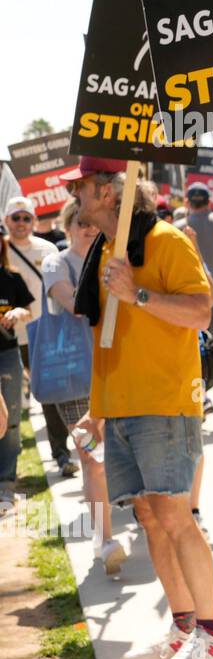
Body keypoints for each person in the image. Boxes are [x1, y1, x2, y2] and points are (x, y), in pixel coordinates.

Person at [61, 156, 213, 659]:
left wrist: (136, 291)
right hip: (124, 408)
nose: (76, 195)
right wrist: (97, 409)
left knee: (177, 517)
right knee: (150, 518)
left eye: (84, 185)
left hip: (164, 401)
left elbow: (201, 312)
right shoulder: (108, 249)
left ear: (111, 191)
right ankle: (183, 627)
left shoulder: (165, 241)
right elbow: (106, 341)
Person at [42, 198, 124, 575]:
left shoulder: (116, 255)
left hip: (119, 371)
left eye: (93, 223)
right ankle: (104, 539)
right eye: (81, 223)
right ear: (69, 227)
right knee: (92, 459)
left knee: (124, 452)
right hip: (77, 378)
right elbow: (75, 305)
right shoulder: (56, 263)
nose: (88, 229)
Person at [4, 196, 72, 478]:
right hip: (8, 337)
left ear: (34, 220)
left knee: (50, 392)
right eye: (15, 217)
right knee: (9, 403)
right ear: (6, 221)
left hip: (43, 332)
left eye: (26, 217)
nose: (21, 223)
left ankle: (61, 453)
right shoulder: (2, 249)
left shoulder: (47, 249)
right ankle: (9, 466)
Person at [176, 184, 213, 427]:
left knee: (194, 358)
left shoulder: (177, 230)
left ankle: (198, 407)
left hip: (190, 303)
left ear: (187, 201)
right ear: (210, 200)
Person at [0, 232, 34, 502]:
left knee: (10, 419)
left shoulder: (11, 278)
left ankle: (6, 481)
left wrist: (17, 313)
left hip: (7, 354)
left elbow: (28, 309)